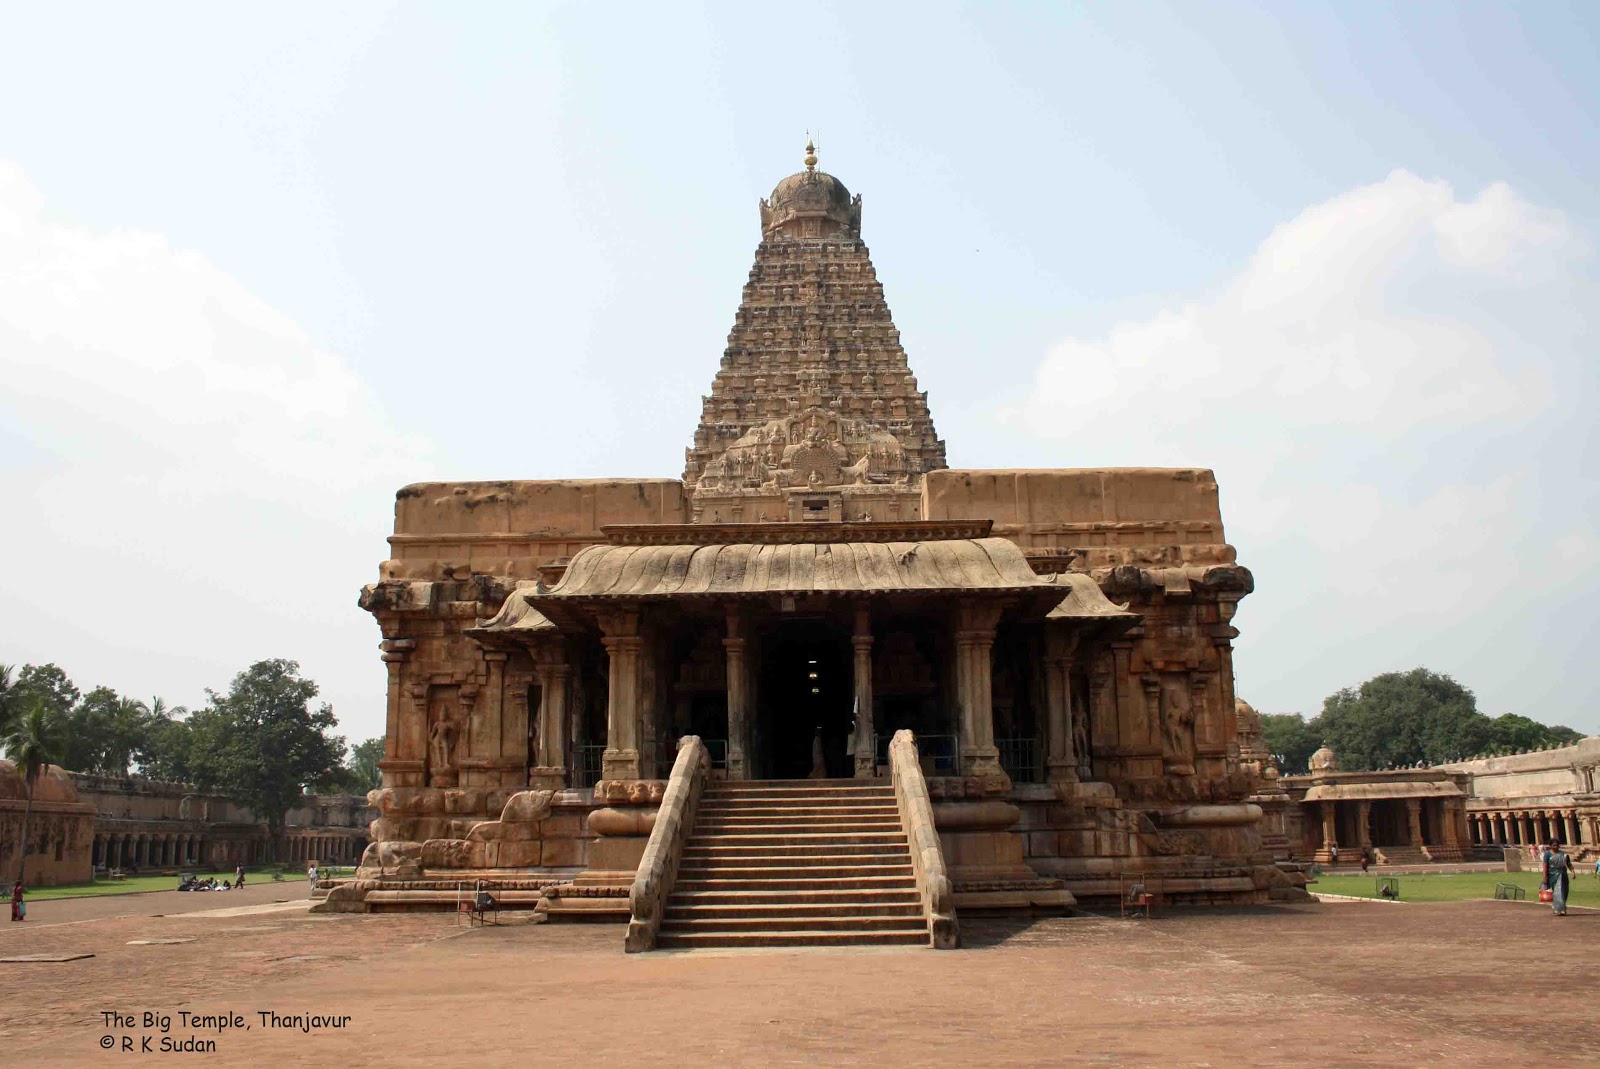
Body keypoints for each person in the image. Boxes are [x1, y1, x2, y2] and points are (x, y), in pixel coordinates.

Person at [1542, 838, 1571, 917]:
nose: (1556, 847)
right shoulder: (1547, 854)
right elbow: (1545, 865)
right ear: (1550, 846)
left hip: (1563, 875)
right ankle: (1558, 909)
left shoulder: (1562, 854)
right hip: (1553, 876)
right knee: (1557, 892)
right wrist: (1544, 876)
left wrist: (1573, 872)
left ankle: (1562, 908)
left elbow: (1568, 863)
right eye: (1554, 845)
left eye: (1557, 845)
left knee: (1564, 891)